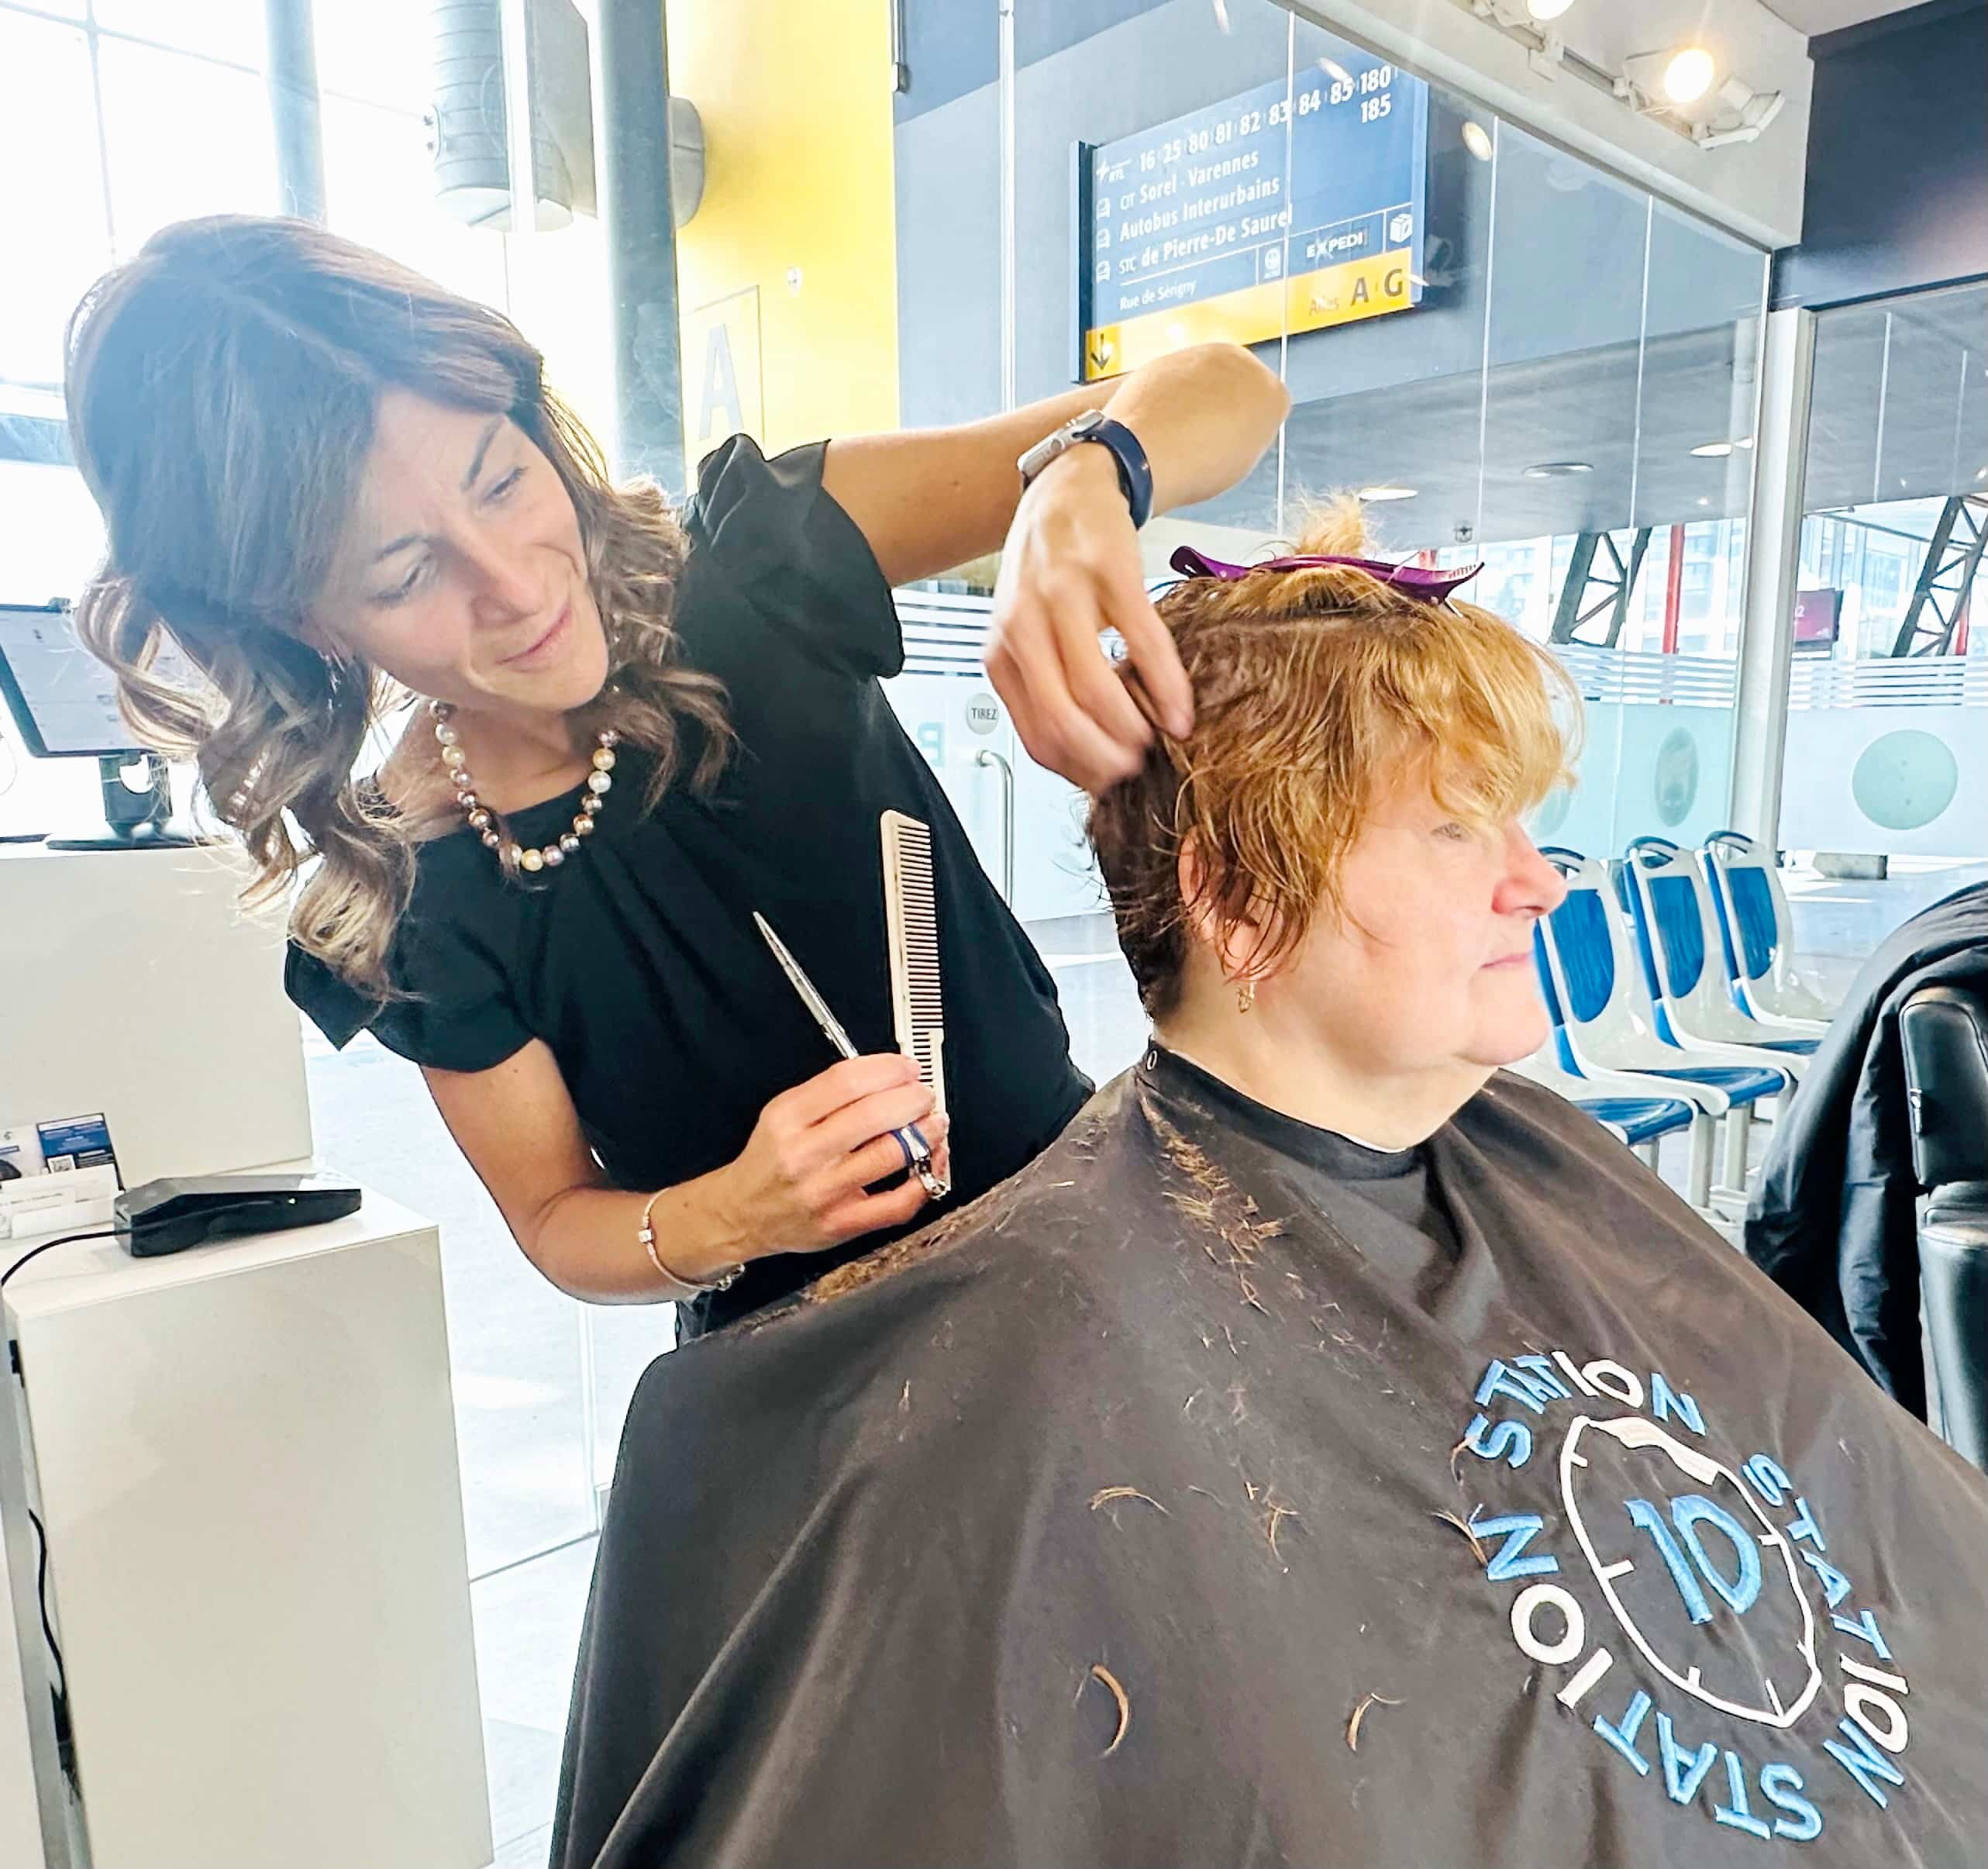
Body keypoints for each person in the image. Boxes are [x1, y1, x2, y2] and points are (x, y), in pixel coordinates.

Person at [550, 503, 1988, 1868]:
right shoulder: (1048, 1343)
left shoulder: (1541, 1153)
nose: (1538, 882)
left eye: (1511, 822)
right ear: (1239, 903)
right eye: (1453, 829)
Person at [63, 215, 1289, 1333]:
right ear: (304, 622)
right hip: (803, 1381)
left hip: (1091, 1250)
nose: (517, 585)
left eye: (501, 479)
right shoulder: (408, 895)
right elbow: (556, 1221)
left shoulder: (759, 563)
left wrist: (1084, 478)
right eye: (406, 573)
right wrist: (739, 1212)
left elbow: (1229, 387)